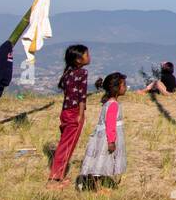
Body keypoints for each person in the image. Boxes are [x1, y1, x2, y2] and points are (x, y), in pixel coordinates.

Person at [48, 44, 90, 186]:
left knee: (63, 143)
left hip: (65, 111)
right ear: (78, 59)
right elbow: (81, 96)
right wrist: (81, 114)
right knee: (68, 145)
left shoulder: (68, 73)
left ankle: (57, 174)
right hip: (74, 112)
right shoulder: (82, 73)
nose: (89, 57)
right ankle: (56, 176)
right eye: (86, 54)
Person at [78, 73, 127, 191]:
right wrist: (111, 141)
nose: (125, 87)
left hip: (102, 136)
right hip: (107, 138)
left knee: (101, 161)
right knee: (102, 161)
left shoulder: (107, 103)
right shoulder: (113, 105)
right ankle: (97, 187)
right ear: (116, 88)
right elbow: (110, 124)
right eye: (123, 85)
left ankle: (95, 186)